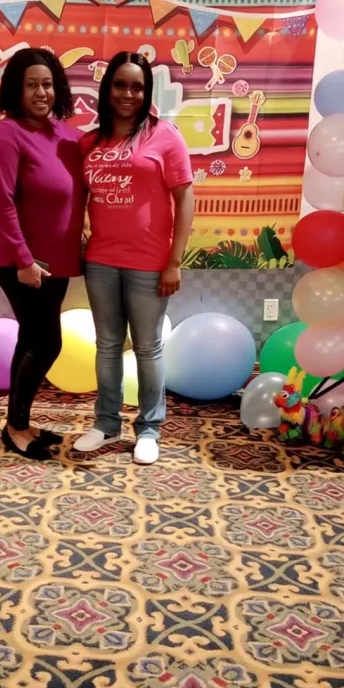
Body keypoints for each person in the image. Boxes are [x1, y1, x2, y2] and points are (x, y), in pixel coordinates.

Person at [74, 51, 194, 465]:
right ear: (107, 88)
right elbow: (75, 200)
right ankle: (106, 424)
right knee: (107, 345)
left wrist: (174, 262)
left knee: (147, 347)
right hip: (101, 260)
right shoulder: (89, 142)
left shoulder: (165, 136)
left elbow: (185, 199)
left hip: (150, 263)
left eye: (137, 87)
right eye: (120, 85)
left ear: (147, 92)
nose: (128, 94)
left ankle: (149, 429)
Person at [0, 47, 85, 460]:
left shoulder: (68, 136)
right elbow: (1, 203)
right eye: (31, 85)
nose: (41, 93)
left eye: (47, 84)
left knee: (31, 339)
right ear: (16, 90)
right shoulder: (5, 135)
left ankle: (18, 421)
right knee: (46, 344)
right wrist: (24, 260)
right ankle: (16, 427)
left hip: (55, 263)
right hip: (20, 263)